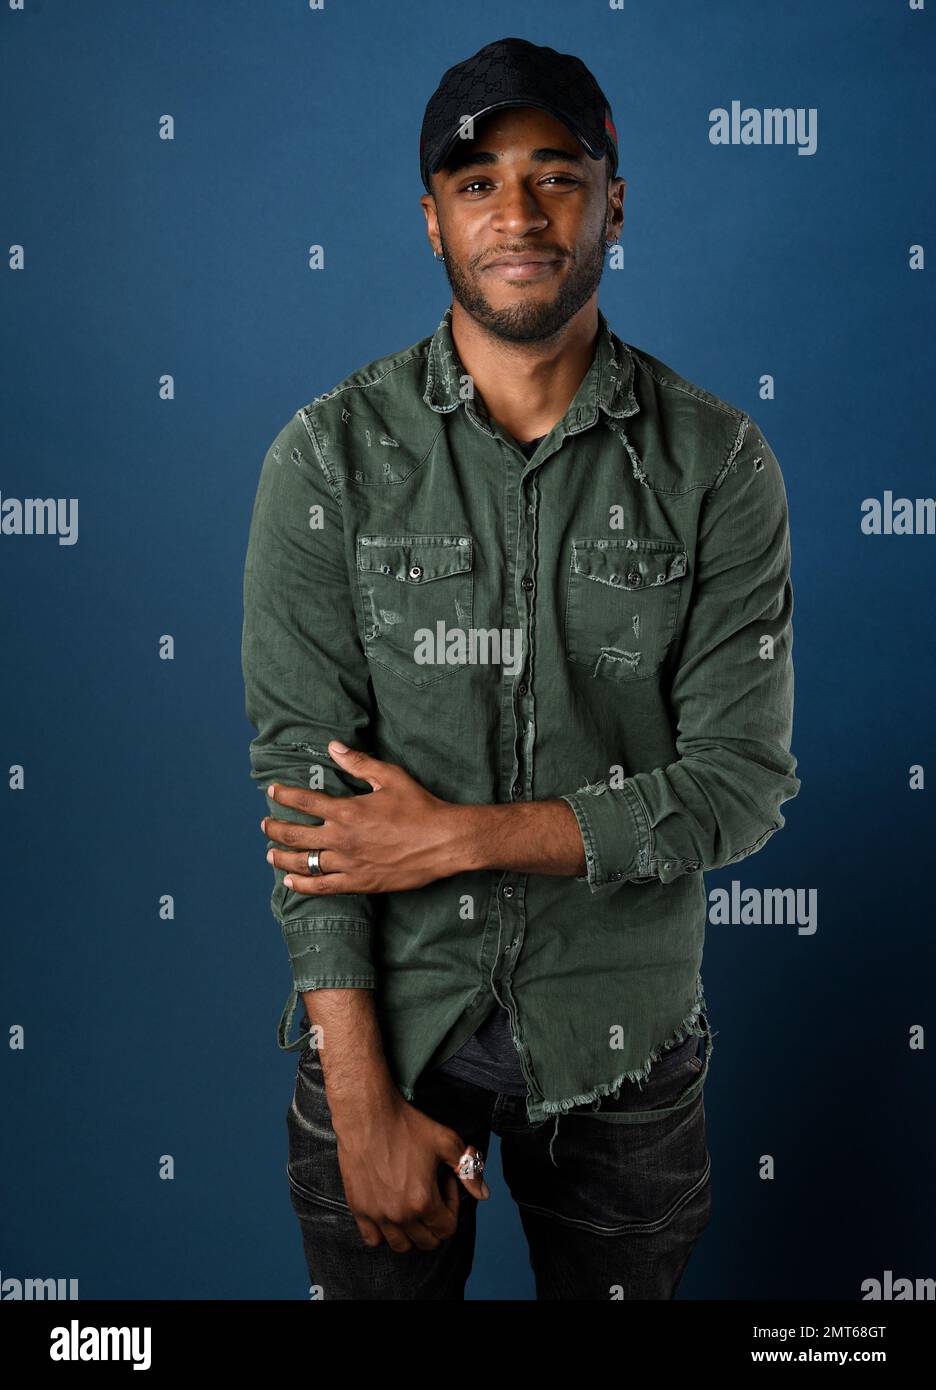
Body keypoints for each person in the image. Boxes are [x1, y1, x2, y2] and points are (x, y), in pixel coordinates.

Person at [240, 36, 801, 1301]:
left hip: (626, 1048)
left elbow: (738, 786)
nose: (519, 212)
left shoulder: (717, 463)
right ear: (431, 219)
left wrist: (457, 836)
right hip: (389, 1031)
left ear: (615, 201)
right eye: (478, 181)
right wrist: (362, 1100)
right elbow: (301, 792)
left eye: (557, 174)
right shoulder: (329, 458)